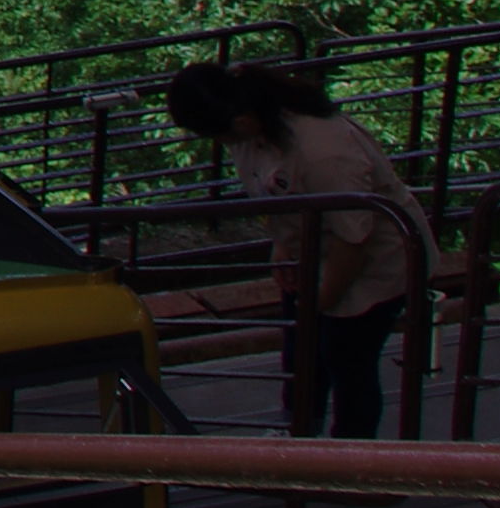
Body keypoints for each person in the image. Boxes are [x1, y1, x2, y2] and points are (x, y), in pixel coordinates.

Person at [163, 61, 439, 437]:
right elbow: (275, 195)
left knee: (347, 359)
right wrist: (284, 248)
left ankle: (352, 461)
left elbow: (353, 238)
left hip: (377, 262)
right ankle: (298, 432)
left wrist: (322, 301)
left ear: (239, 121)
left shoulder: (322, 151)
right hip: (311, 253)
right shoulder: (250, 132)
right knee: (302, 353)